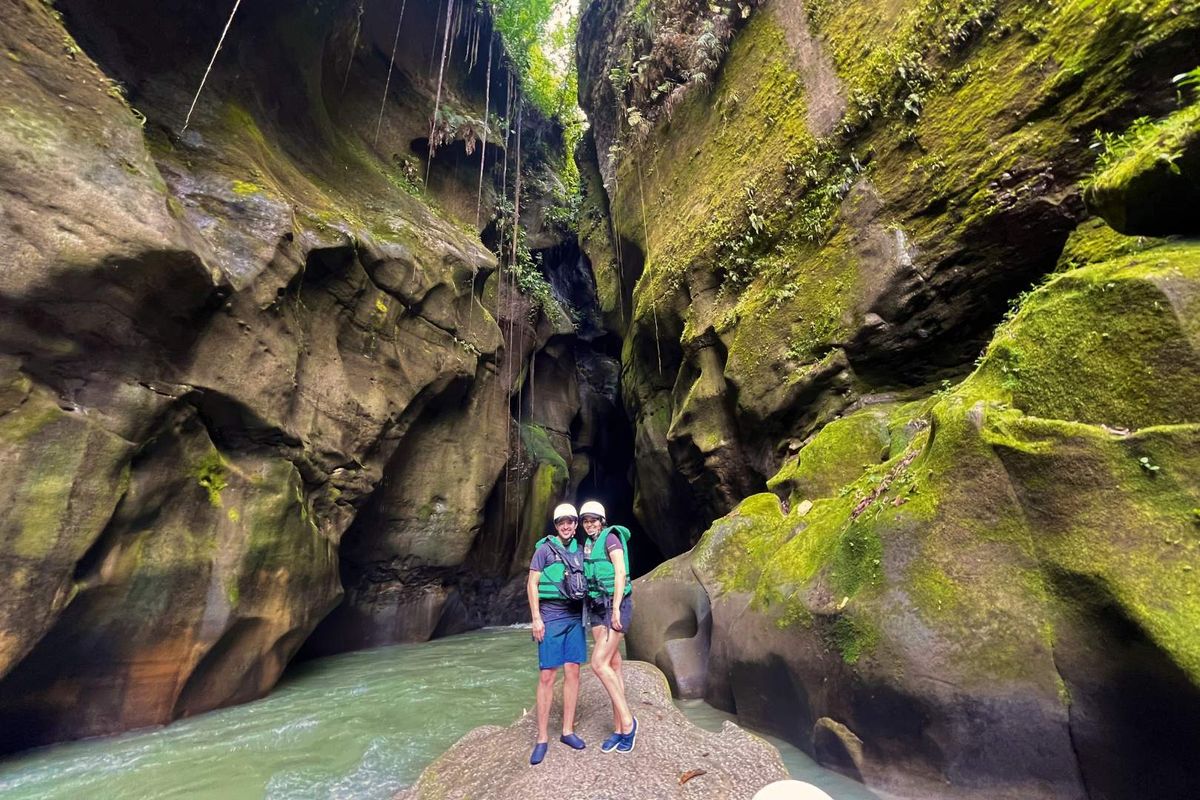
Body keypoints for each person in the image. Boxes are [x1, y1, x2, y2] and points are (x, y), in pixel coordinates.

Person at [526, 502, 589, 765]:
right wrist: (536, 618)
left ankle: (567, 731)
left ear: (576, 525)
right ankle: (541, 738)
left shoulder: (582, 551)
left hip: (575, 618)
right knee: (548, 675)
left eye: (571, 521)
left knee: (573, 671)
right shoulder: (543, 550)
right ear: (556, 525)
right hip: (550, 618)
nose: (566, 526)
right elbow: (532, 584)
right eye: (561, 522)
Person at [579, 500, 637, 754]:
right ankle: (617, 728)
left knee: (598, 663)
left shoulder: (610, 538)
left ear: (602, 521)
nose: (589, 524)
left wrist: (615, 609)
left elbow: (620, 572)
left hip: (615, 606)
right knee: (613, 665)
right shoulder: (589, 545)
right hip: (596, 607)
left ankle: (628, 722)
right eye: (586, 520)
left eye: (593, 520)